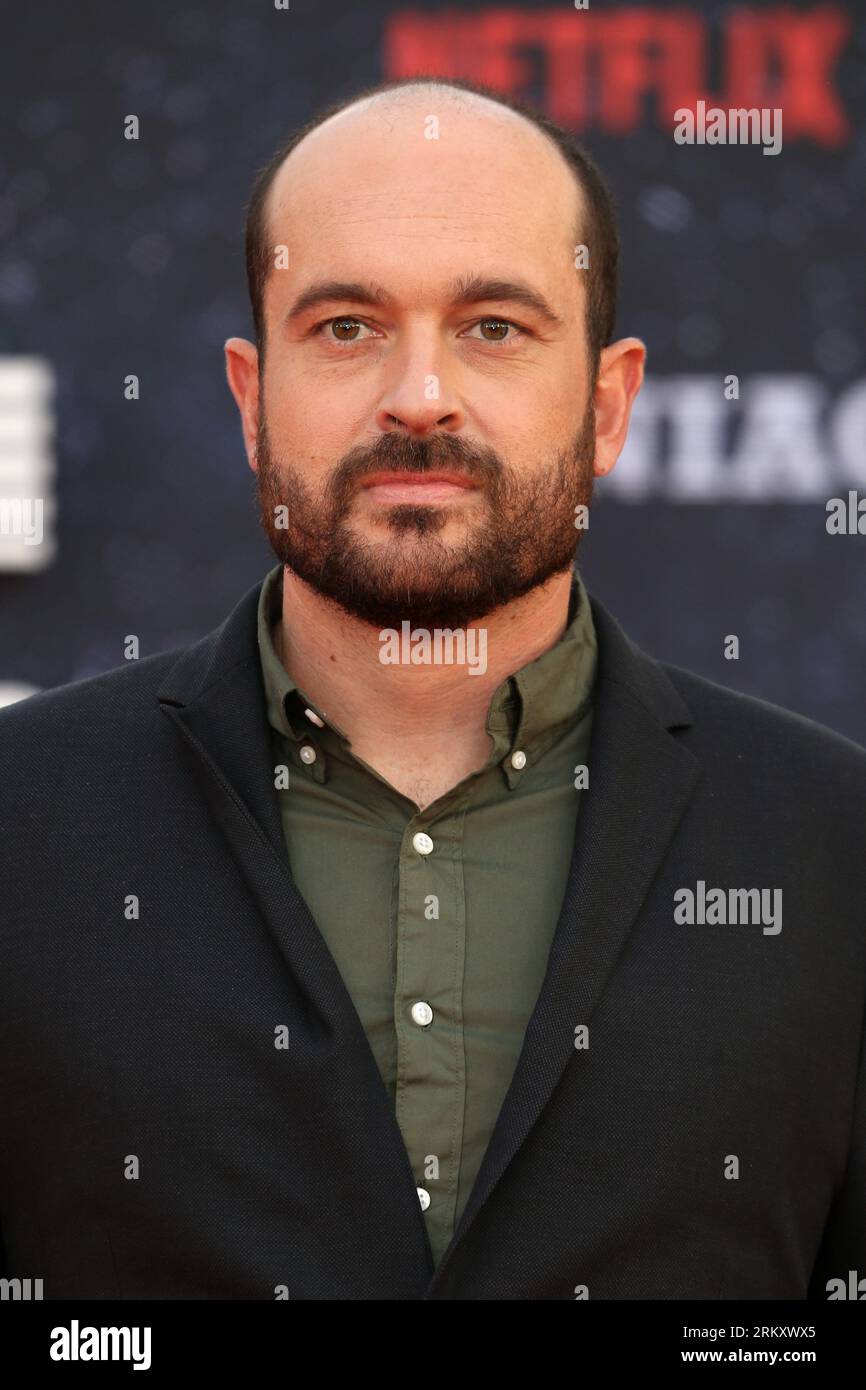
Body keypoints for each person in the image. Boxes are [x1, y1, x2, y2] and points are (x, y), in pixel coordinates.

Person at [1, 76, 864, 1301]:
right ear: (252, 400)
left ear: (609, 404)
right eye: (345, 326)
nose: (418, 394)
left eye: (493, 327)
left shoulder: (833, 847)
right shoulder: (19, 824)